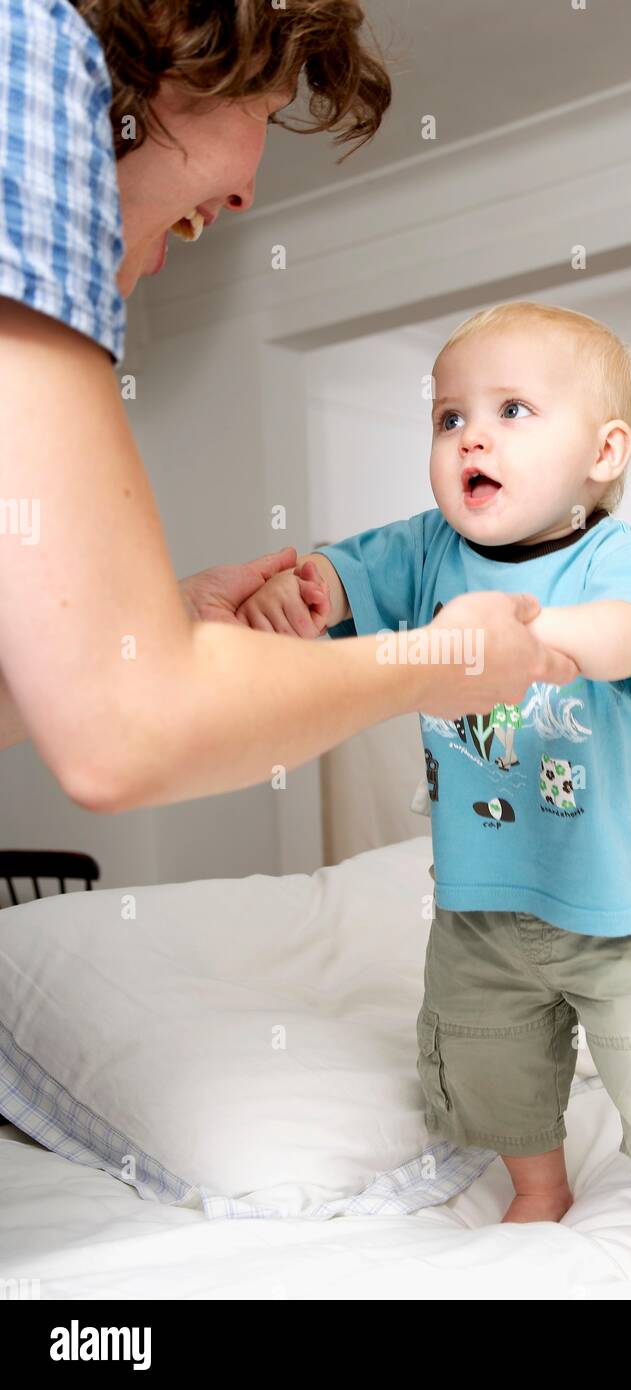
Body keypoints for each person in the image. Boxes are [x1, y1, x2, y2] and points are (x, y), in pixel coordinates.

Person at [238, 300, 631, 1284]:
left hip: (618, 898)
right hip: (478, 900)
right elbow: (339, 576)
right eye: (448, 418)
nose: (471, 436)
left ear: (601, 450)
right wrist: (308, 593)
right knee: (488, 1054)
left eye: (511, 410)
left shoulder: (607, 556)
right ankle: (537, 1184)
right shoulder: (422, 551)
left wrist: (541, 644)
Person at [0, 0, 575, 811]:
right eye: (266, 111)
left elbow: (88, 700)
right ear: (175, 33)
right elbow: (125, 733)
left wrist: (162, 621)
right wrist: (438, 664)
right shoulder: (26, 59)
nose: (245, 193)